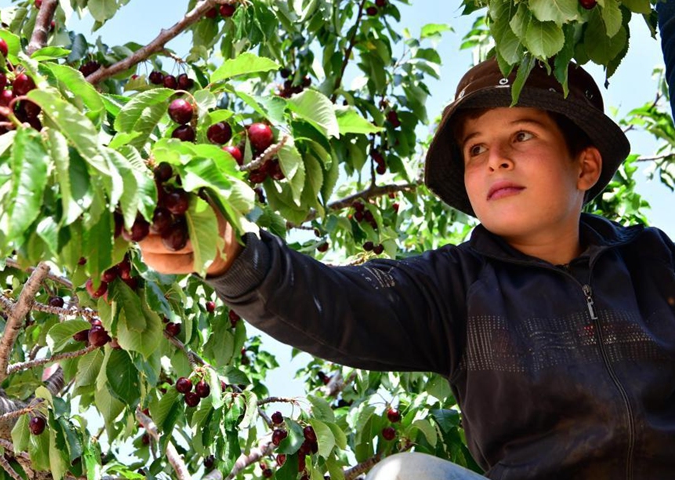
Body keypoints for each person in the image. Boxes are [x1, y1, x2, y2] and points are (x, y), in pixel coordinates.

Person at [140, 57, 675, 479]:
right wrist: (236, 257)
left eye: (523, 135)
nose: (495, 159)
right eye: (475, 148)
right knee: (404, 475)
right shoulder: (455, 287)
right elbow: (339, 300)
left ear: (584, 165)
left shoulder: (654, 261)